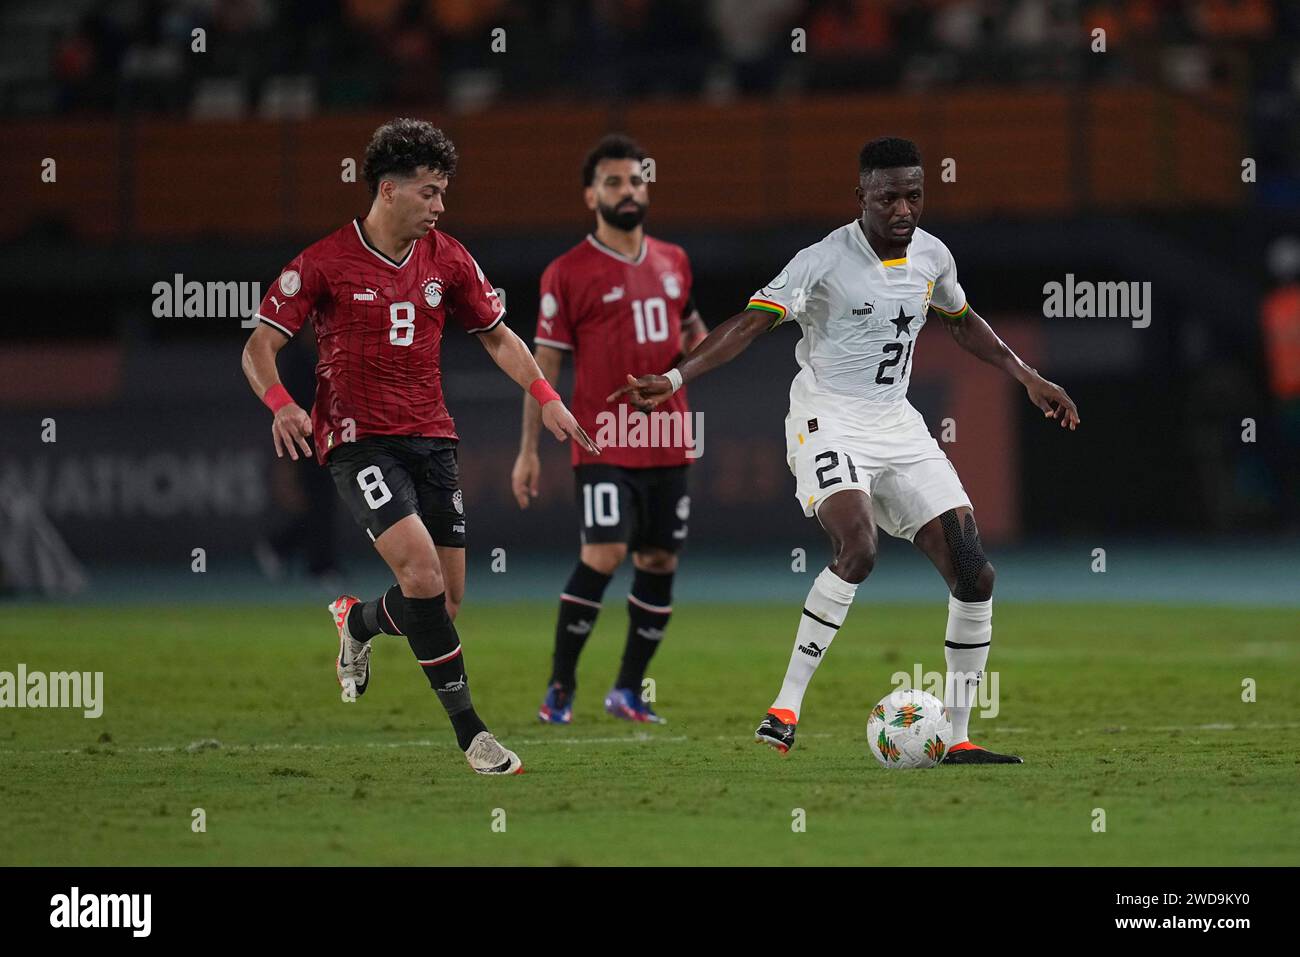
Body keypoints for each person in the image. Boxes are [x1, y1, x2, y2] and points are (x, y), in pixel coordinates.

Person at [613, 136, 1080, 764]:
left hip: (898, 423)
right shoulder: (822, 260)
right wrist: (673, 379)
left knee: (976, 574)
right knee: (857, 548)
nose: (903, 209)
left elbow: (962, 320)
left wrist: (1026, 375)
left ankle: (960, 737)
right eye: (888, 196)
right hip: (826, 416)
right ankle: (785, 707)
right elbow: (749, 324)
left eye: (914, 195)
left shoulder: (934, 257)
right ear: (860, 196)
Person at [241, 118, 596, 775]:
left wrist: (548, 398)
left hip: (432, 437)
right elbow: (258, 344)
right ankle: (473, 734)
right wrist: (282, 403)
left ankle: (359, 622)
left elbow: (498, 335)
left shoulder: (450, 259)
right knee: (424, 576)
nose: (440, 205)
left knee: (444, 601)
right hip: (357, 439)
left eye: (443, 193)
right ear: (387, 191)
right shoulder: (323, 262)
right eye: (429, 192)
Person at [512, 134, 707, 725]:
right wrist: (529, 451)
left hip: (669, 440)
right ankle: (560, 685)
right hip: (602, 438)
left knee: (658, 563)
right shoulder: (566, 272)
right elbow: (542, 368)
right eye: (615, 182)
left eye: (637, 180)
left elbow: (697, 337)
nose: (629, 191)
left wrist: (683, 370)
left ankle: (626, 689)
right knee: (604, 551)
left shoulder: (674, 260)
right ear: (591, 194)